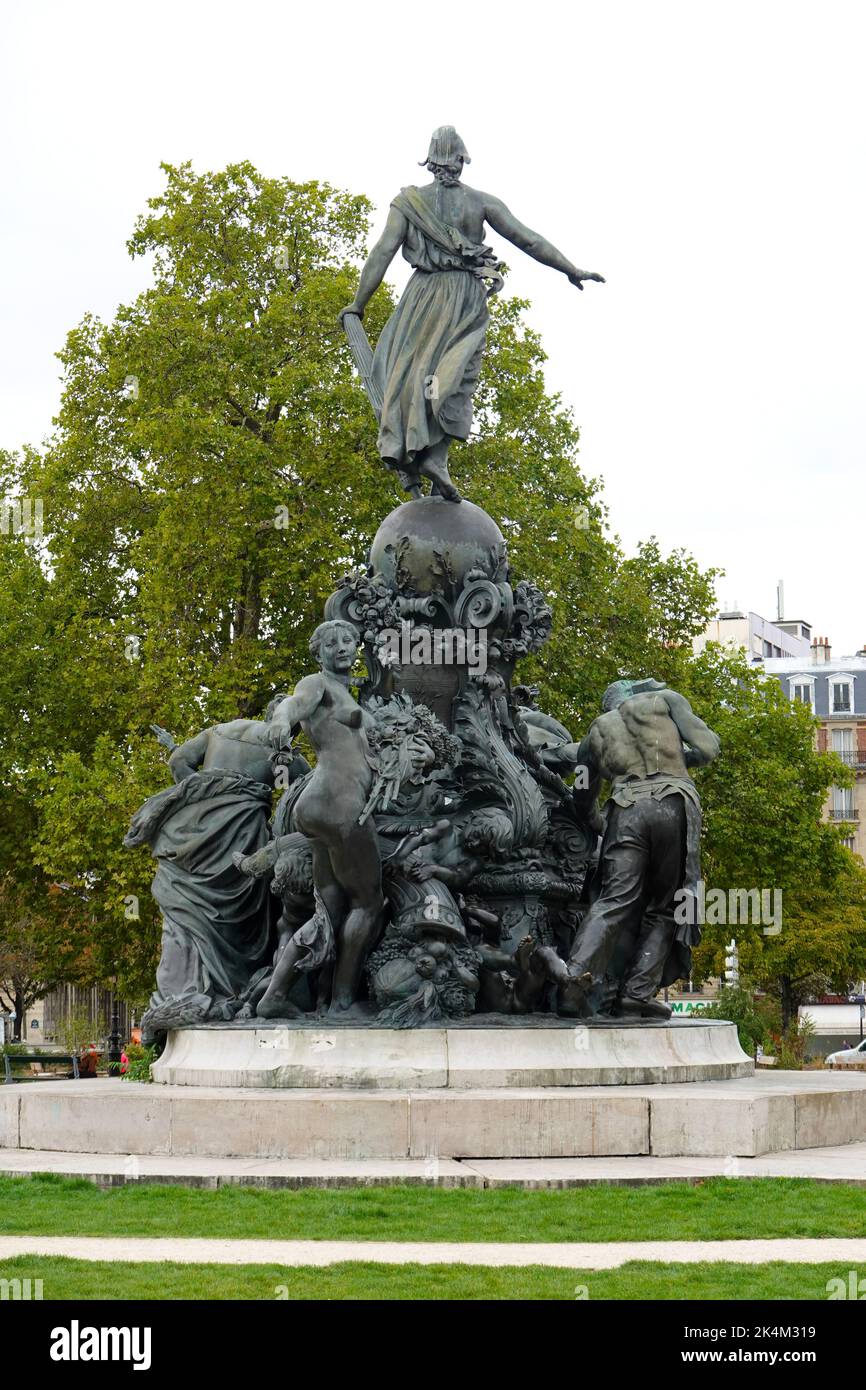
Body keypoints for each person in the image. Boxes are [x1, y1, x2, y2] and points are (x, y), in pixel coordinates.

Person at [340, 126, 604, 501]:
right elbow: (527, 239)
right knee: (456, 375)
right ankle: (436, 460)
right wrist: (570, 269)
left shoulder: (408, 204)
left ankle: (421, 460)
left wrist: (358, 304)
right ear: (461, 159)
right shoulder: (479, 202)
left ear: (431, 160)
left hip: (421, 300)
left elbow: (382, 252)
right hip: (463, 298)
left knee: (414, 377)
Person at [126, 694, 291, 1038]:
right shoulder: (283, 753)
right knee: (243, 921)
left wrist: (205, 794)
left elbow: (178, 762)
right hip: (241, 836)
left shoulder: (220, 730)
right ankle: (226, 994)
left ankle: (180, 994)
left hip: (190, 830)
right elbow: (297, 802)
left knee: (184, 913)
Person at [562, 679, 721, 1019]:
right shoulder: (664, 701)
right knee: (669, 907)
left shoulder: (595, 734)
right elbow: (709, 749)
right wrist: (678, 758)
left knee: (612, 901)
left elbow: (582, 791)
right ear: (632, 695)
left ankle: (572, 978)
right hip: (672, 803)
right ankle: (636, 993)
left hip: (624, 809)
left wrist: (594, 823)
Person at [261, 620, 386, 1015]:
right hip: (340, 807)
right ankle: (343, 1001)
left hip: (318, 808)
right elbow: (293, 705)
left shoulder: (351, 693)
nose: (342, 648)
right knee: (369, 902)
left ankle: (275, 997)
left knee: (329, 911)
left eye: (349, 640)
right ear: (318, 653)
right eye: (331, 643)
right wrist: (281, 722)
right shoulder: (317, 684)